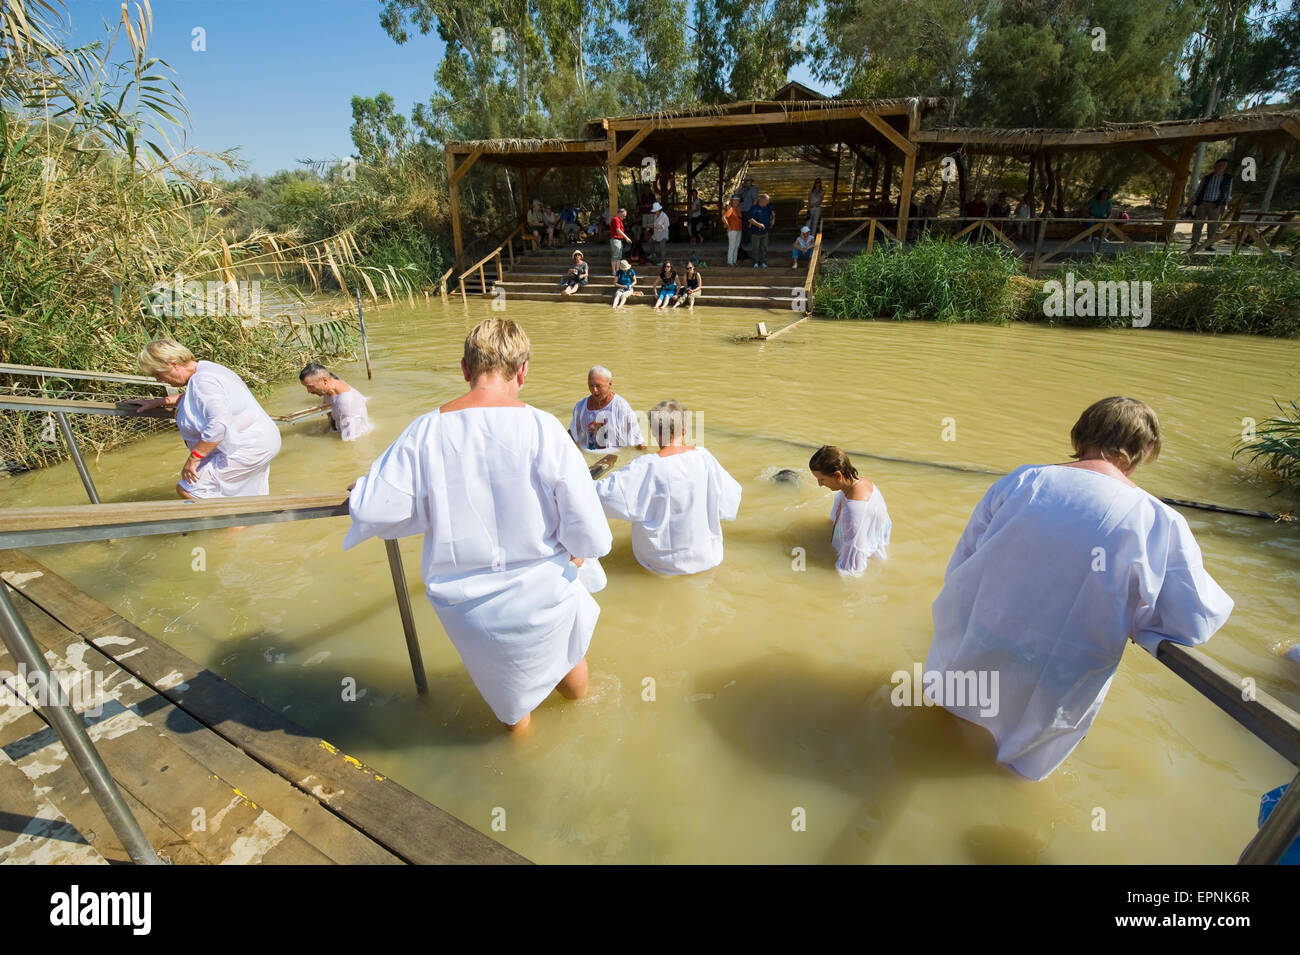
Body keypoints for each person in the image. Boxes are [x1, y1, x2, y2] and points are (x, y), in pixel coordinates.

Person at [924, 396, 1234, 781]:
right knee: (1017, 762)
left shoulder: (1023, 481)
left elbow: (963, 562)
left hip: (982, 638)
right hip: (1058, 669)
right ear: (1145, 450)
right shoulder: (1157, 520)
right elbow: (1191, 621)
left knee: (951, 719)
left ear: (1080, 432)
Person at [343, 318, 612, 733]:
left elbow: (376, 509)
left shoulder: (425, 431)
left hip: (470, 606)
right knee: (569, 663)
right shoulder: (543, 428)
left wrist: (364, 485)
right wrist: (575, 550)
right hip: (544, 588)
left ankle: (522, 763)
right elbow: (588, 528)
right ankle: (580, 732)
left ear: (465, 370)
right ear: (522, 371)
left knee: (513, 708)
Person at [595, 399, 742, 576]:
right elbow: (731, 497)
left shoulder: (646, 466)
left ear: (655, 431)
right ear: (684, 428)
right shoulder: (705, 457)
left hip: (662, 565)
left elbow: (603, 495)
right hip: (708, 557)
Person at [134, 339, 281, 499]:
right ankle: (247, 523)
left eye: (158, 374)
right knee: (245, 500)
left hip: (247, 447)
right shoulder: (206, 368)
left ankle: (231, 524)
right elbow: (201, 398)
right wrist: (161, 401)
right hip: (259, 441)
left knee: (189, 489)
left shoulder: (202, 381)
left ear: (173, 364)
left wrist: (194, 459)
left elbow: (219, 424)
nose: (159, 380)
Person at [808, 446, 890, 577]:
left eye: (821, 479)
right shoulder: (859, 483)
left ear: (838, 475)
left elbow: (854, 569)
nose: (820, 484)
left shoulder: (855, 510)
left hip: (866, 560)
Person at [569, 365, 645, 451]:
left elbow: (638, 441)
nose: (594, 390)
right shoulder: (580, 407)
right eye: (591, 385)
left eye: (598, 386)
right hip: (588, 455)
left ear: (610, 384)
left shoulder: (622, 407)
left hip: (614, 457)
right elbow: (572, 433)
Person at [299, 362, 373, 442]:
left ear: (325, 380)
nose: (308, 391)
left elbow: (350, 441)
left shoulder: (346, 403)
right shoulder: (330, 388)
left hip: (358, 439)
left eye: (310, 386)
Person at [1189, 158, 1233, 252]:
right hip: (1203, 203)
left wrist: (1225, 204)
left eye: (1224, 166)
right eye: (1220, 165)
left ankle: (1209, 244)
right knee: (1198, 223)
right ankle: (1194, 243)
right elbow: (1199, 191)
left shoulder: (1228, 179)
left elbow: (1228, 193)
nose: (1222, 167)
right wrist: (1192, 203)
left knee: (1213, 225)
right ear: (1215, 166)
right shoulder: (1207, 177)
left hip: (1216, 205)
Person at [748, 193, 774, 268]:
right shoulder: (754, 208)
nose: (768, 202)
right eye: (767, 201)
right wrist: (758, 224)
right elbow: (750, 219)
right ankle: (756, 262)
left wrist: (773, 219)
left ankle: (762, 262)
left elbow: (772, 213)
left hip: (765, 232)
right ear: (762, 200)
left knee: (764, 247)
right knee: (756, 248)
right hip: (755, 232)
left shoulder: (767, 207)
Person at [738, 175, 758, 253]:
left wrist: (753, 210)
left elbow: (755, 199)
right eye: (745, 181)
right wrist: (740, 187)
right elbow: (736, 195)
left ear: (751, 181)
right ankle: (742, 241)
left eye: (747, 181)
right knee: (741, 227)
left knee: (747, 227)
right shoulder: (742, 189)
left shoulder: (753, 189)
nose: (746, 182)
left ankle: (746, 241)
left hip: (748, 210)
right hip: (740, 210)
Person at [609, 207, 631, 276]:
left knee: (619, 256)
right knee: (615, 256)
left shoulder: (619, 220)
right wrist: (626, 238)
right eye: (624, 215)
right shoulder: (616, 219)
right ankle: (613, 271)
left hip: (619, 240)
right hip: (615, 240)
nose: (624, 217)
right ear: (620, 213)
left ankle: (617, 270)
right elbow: (618, 230)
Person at [724, 195, 743, 266]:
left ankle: (734, 261)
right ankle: (730, 262)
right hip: (733, 230)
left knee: (736, 246)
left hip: (739, 229)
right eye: (734, 200)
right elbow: (724, 218)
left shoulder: (738, 209)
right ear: (732, 201)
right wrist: (728, 226)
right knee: (732, 246)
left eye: (737, 200)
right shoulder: (731, 209)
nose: (736, 202)